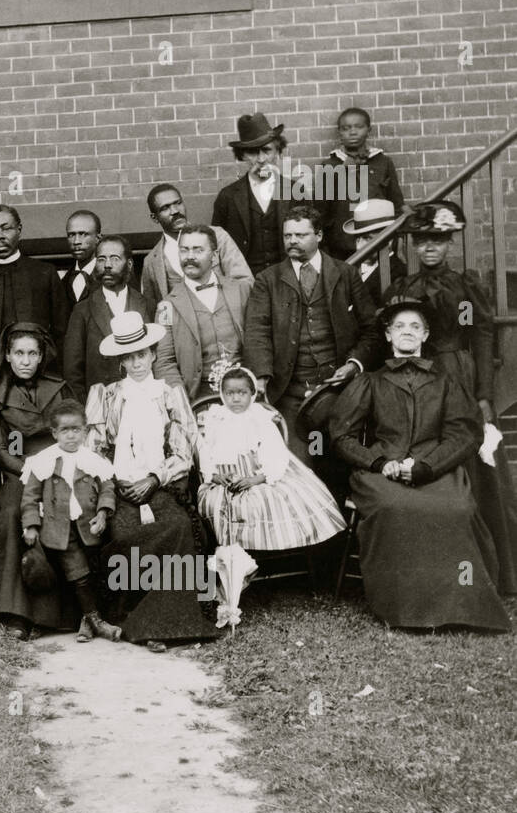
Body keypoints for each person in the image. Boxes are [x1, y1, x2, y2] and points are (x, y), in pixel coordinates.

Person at [329, 299, 509, 632]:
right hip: (381, 471)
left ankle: (461, 604)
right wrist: (379, 461)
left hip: (434, 468)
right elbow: (341, 436)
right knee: (394, 505)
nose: (407, 332)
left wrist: (426, 466)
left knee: (455, 507)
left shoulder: (445, 381)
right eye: (399, 326)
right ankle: (405, 608)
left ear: (425, 335)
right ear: (387, 335)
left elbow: (464, 434)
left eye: (415, 327)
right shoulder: (370, 381)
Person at [383, 202, 517, 596]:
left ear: (449, 243)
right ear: (412, 245)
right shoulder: (402, 290)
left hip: (457, 373)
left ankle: (496, 570)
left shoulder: (463, 288)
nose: (429, 249)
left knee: (478, 463)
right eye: (422, 241)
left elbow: (480, 335)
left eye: (438, 240)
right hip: (417, 379)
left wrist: (484, 395)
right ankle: (437, 566)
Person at [84, 313, 216, 651]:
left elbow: (183, 450)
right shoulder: (106, 395)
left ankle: (164, 623)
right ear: (120, 360)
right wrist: (113, 482)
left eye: (142, 354)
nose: (136, 362)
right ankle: (132, 617)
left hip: (159, 485)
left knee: (178, 527)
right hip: (119, 489)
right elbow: (93, 452)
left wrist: (156, 477)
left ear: (153, 354)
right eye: (128, 357)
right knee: (126, 536)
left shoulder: (168, 393)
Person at [0, 322, 81, 641]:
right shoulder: (0, 396)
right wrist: (29, 471)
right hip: (19, 472)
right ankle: (18, 614)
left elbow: (71, 434)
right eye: (19, 354)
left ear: (42, 357)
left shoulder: (59, 389)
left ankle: (52, 615)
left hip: (59, 470)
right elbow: (0, 449)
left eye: (32, 353)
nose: (25, 361)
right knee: (15, 511)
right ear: (8, 357)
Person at [242, 205, 379, 468]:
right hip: (290, 393)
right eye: (287, 236)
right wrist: (261, 377)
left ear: (319, 235)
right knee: (300, 467)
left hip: (340, 391)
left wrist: (353, 364)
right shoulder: (267, 280)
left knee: (344, 462)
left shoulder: (345, 274)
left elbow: (371, 329)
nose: (292, 241)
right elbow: (256, 331)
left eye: (300, 235)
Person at [197, 367, 344, 554]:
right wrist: (215, 476)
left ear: (252, 393)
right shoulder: (215, 419)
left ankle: (268, 546)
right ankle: (234, 557)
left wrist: (256, 479)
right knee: (219, 504)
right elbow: (205, 452)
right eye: (229, 393)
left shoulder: (259, 418)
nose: (235, 399)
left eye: (241, 393)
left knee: (270, 501)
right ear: (222, 394)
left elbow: (276, 454)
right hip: (225, 479)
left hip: (260, 475)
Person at [20, 399, 122, 643]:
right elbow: (30, 497)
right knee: (79, 572)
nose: (71, 436)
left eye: (76, 430)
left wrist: (102, 513)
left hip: (90, 526)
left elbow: (107, 488)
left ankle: (86, 621)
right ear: (54, 433)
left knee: (94, 571)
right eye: (65, 431)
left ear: (85, 432)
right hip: (60, 528)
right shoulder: (43, 461)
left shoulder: (93, 459)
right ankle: (97, 623)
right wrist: (31, 525)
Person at [0, 204, 71, 393]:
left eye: (6, 228)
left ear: (19, 230)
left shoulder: (43, 273)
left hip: (39, 383)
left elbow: (61, 333)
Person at [153, 226, 252, 400]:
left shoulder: (241, 290)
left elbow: (260, 341)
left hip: (246, 393)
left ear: (214, 257)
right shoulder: (166, 306)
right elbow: (164, 362)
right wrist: (182, 402)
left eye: (198, 250)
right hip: (199, 398)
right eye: (184, 250)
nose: (190, 256)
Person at [213, 113, 313, 276]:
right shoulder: (228, 197)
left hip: (290, 277)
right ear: (243, 155)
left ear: (277, 152)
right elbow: (216, 246)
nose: (261, 159)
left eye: (267, 151)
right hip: (247, 281)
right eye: (253, 152)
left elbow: (312, 239)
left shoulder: (296, 191)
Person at [63, 235, 154, 398]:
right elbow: (72, 372)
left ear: (130, 264)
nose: (107, 265)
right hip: (101, 407)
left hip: (144, 400)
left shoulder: (147, 305)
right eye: (101, 259)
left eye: (115, 259)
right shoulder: (82, 310)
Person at [141, 184, 252, 304]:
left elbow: (244, 281)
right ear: (154, 218)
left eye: (178, 203)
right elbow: (153, 309)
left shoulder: (218, 236)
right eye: (165, 208)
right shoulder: (151, 262)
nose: (175, 211)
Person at [322, 106, 406, 259]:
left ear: (369, 129)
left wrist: (398, 241)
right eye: (346, 128)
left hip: (379, 244)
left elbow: (397, 203)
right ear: (339, 132)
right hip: (341, 247)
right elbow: (322, 211)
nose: (353, 132)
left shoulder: (383, 162)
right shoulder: (329, 165)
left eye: (359, 127)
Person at [344, 199, 407, 307]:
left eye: (368, 238)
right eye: (357, 238)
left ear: (389, 239)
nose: (359, 246)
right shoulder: (351, 268)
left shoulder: (397, 274)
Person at [60, 209, 102, 305]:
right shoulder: (61, 283)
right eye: (71, 235)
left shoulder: (110, 277)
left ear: (98, 238)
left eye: (83, 234)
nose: (76, 241)